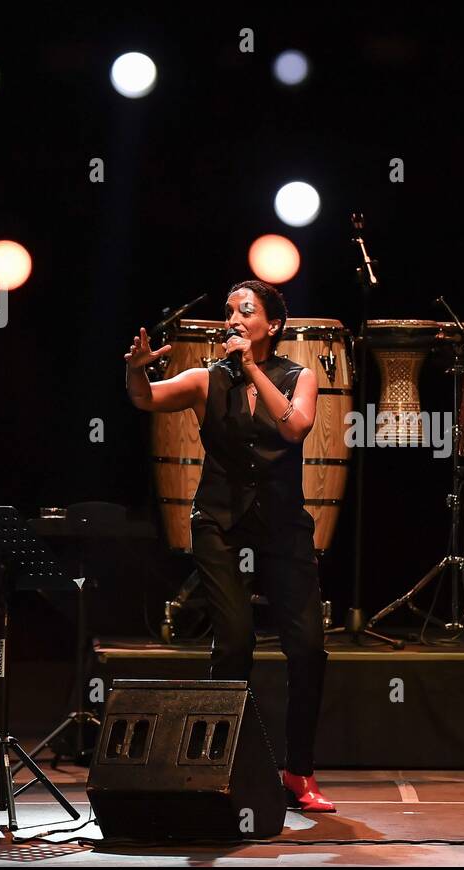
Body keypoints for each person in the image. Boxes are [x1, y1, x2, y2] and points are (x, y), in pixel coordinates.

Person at [125, 279, 334, 812]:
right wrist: (136, 368)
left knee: (308, 648)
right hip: (218, 523)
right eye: (229, 312)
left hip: (283, 527)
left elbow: (295, 428)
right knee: (235, 641)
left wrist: (253, 370)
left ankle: (299, 773)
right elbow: (146, 398)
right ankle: (220, 767)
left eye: (246, 311)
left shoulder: (298, 376)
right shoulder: (203, 380)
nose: (234, 320)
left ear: (273, 325)